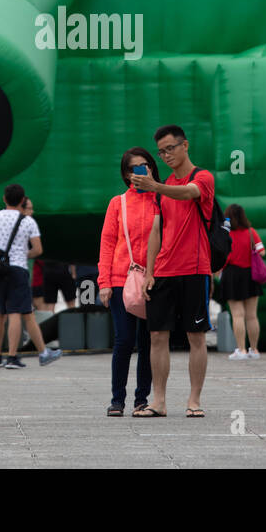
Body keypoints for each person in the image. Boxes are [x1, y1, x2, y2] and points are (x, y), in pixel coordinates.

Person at [135, 125, 215, 417]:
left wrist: (155, 186)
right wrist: (149, 271)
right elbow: (156, 230)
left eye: (170, 148)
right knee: (157, 336)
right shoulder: (163, 188)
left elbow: (189, 193)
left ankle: (194, 400)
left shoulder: (202, 177)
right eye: (161, 151)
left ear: (185, 145)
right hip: (164, 272)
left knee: (196, 336)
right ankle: (159, 401)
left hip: (195, 270)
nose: (166, 155)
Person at [97, 149, 159, 414]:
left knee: (149, 342)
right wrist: (104, 282)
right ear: (126, 174)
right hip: (122, 279)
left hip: (154, 280)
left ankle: (142, 398)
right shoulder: (117, 203)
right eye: (135, 168)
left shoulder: (163, 199)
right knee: (124, 340)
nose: (141, 171)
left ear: (153, 169)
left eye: (145, 166)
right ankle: (117, 399)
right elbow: (108, 243)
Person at [0, 183, 61, 369]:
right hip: (18, 270)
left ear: (4, 199)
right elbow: (38, 249)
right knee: (16, 312)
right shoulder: (28, 221)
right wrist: (23, 254)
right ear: (23, 201)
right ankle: (13, 357)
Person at [221, 203, 266, 360]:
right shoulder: (251, 232)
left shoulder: (226, 235)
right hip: (250, 275)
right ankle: (254, 350)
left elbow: (222, 257)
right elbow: (262, 251)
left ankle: (241, 350)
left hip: (231, 275)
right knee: (252, 316)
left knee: (238, 315)